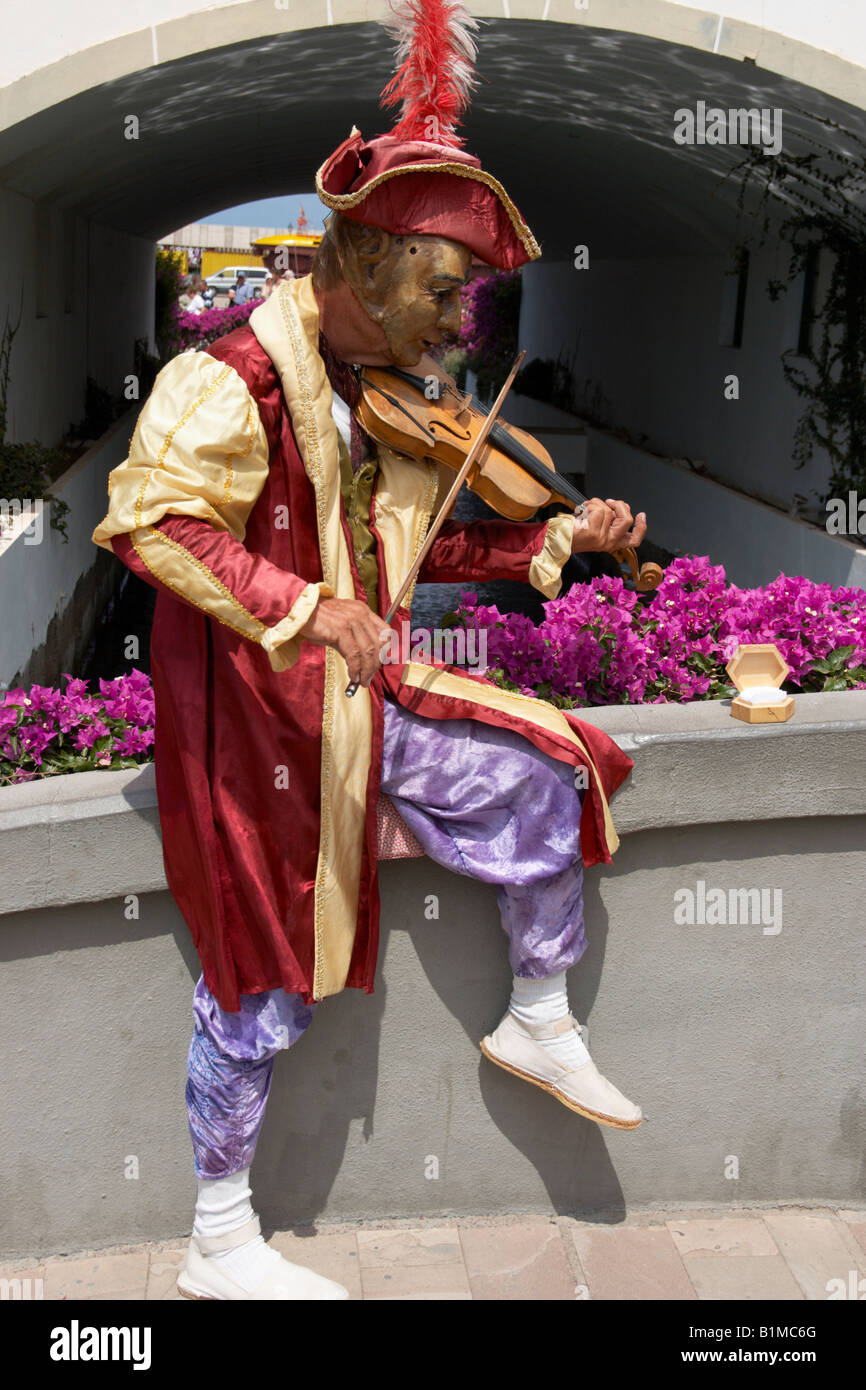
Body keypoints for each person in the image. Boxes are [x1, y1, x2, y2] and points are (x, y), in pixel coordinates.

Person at [91, 0, 646, 1302]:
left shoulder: (370, 399)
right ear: (365, 263)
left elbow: (416, 561)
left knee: (550, 762)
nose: (460, 326)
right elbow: (150, 520)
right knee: (264, 974)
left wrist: (553, 541)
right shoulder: (229, 377)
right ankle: (216, 1237)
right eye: (443, 293)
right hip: (256, 725)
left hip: (355, 700)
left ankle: (538, 1013)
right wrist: (297, 603)